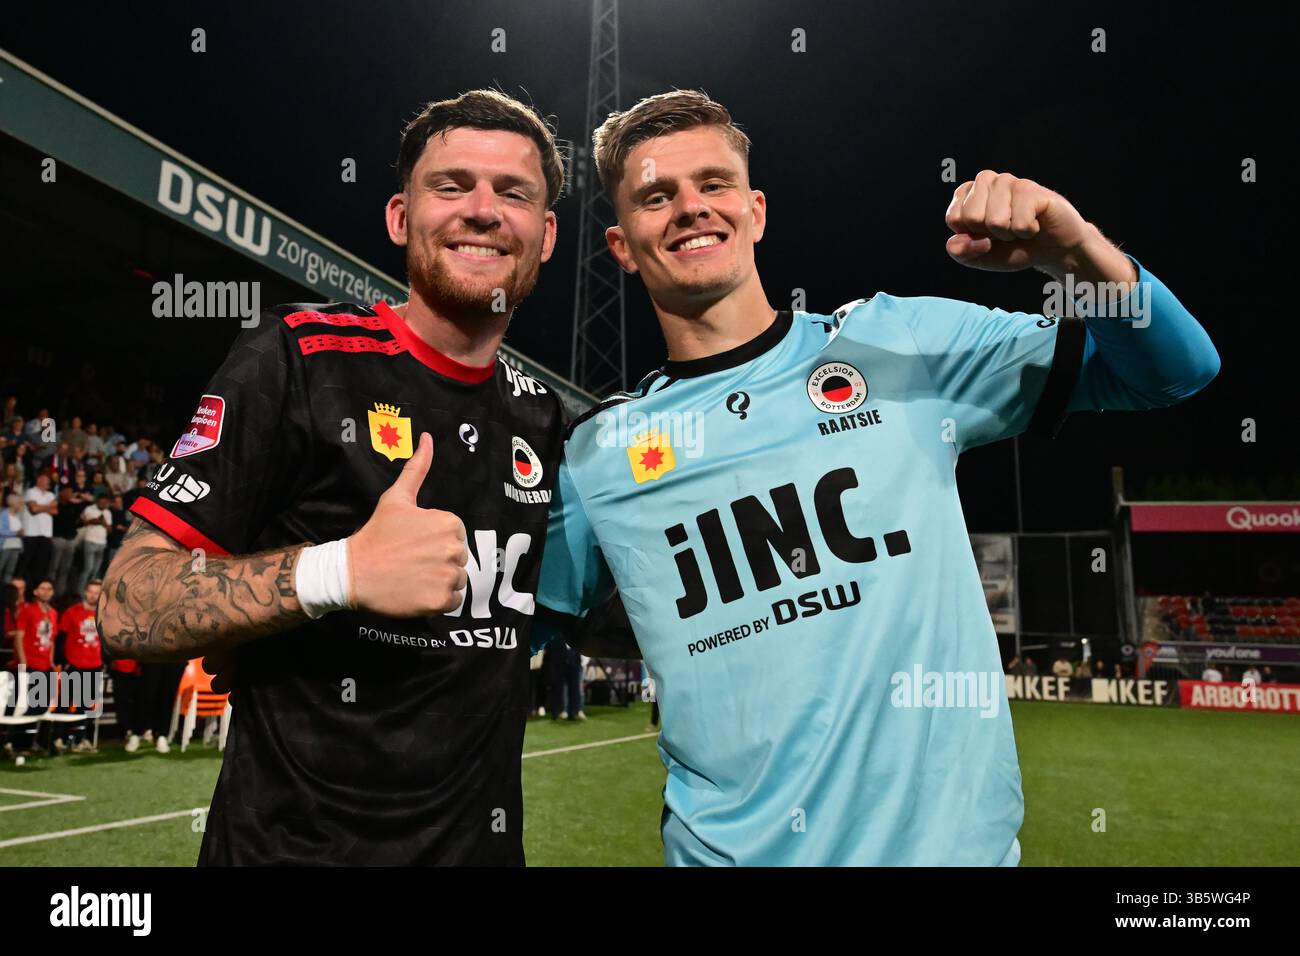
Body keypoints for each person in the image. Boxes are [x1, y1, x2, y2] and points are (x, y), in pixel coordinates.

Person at [534, 90, 1220, 865]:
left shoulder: (898, 343)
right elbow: (489, 638)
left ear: (756, 210)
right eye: (658, 196)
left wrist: (1078, 256)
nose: (692, 208)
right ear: (622, 246)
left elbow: (1174, 373)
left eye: (713, 184)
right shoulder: (598, 459)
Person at [98, 90, 566, 865]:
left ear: (545, 236)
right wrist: (337, 571)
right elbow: (124, 602)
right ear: (398, 217)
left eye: (512, 193)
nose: (483, 210)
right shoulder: (297, 358)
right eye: (451, 185)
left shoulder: (543, 418)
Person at [57, 580, 104, 753]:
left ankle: (79, 740)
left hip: (94, 665)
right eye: (90, 592)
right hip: (75, 664)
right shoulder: (72, 612)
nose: (93, 595)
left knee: (86, 706)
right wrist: (63, 660)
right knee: (65, 702)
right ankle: (59, 739)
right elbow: (61, 638)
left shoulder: (103, 614)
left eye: (96, 593)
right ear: (85, 592)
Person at [20, 473, 56, 584]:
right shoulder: (31, 492)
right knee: (26, 563)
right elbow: (33, 509)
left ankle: (35, 589)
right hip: (31, 533)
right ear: (38, 480)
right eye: (45, 480)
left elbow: (55, 511)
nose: (48, 483)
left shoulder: (51, 495)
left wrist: (40, 506)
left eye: (48, 481)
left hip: (45, 535)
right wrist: (48, 507)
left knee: (41, 566)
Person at [76, 493, 112, 594]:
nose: (104, 504)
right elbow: (82, 522)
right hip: (90, 541)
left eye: (106, 503)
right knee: (88, 569)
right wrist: (94, 521)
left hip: (102, 543)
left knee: (95, 571)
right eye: (102, 502)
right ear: (97, 502)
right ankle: (79, 593)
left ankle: (90, 592)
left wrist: (104, 522)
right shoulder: (89, 509)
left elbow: (109, 530)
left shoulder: (108, 512)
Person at [1, 494, 24, 584]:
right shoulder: (4, 515)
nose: (21, 505)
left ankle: (6, 591)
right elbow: (2, 531)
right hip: (5, 546)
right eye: (20, 503)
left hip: (16, 546)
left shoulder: (18, 516)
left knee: (10, 570)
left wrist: (21, 533)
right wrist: (16, 533)